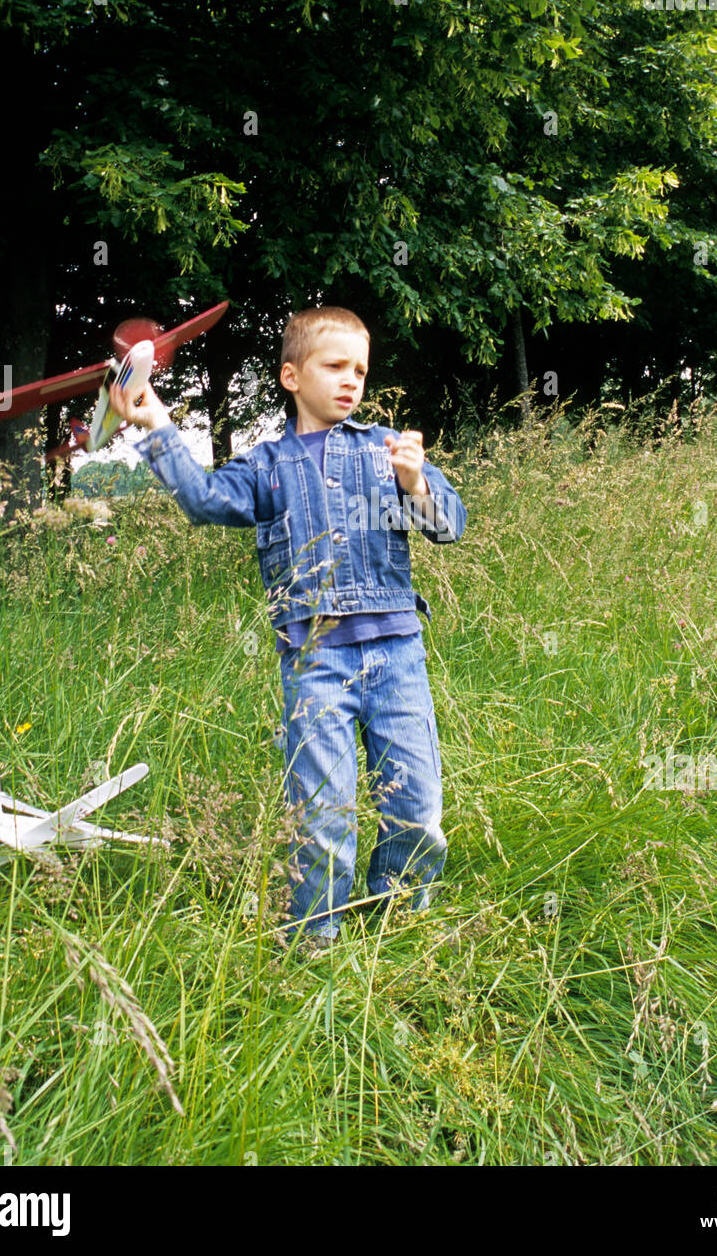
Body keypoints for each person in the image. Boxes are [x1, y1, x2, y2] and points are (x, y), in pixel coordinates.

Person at [108, 305, 467, 955]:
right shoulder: (267, 465)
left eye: (360, 368)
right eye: (334, 366)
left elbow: (450, 525)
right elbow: (204, 499)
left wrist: (415, 484)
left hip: (396, 655)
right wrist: (157, 421)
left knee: (415, 804)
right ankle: (314, 937)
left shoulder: (387, 450)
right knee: (323, 810)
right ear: (291, 376)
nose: (351, 379)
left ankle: (398, 923)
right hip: (315, 662)